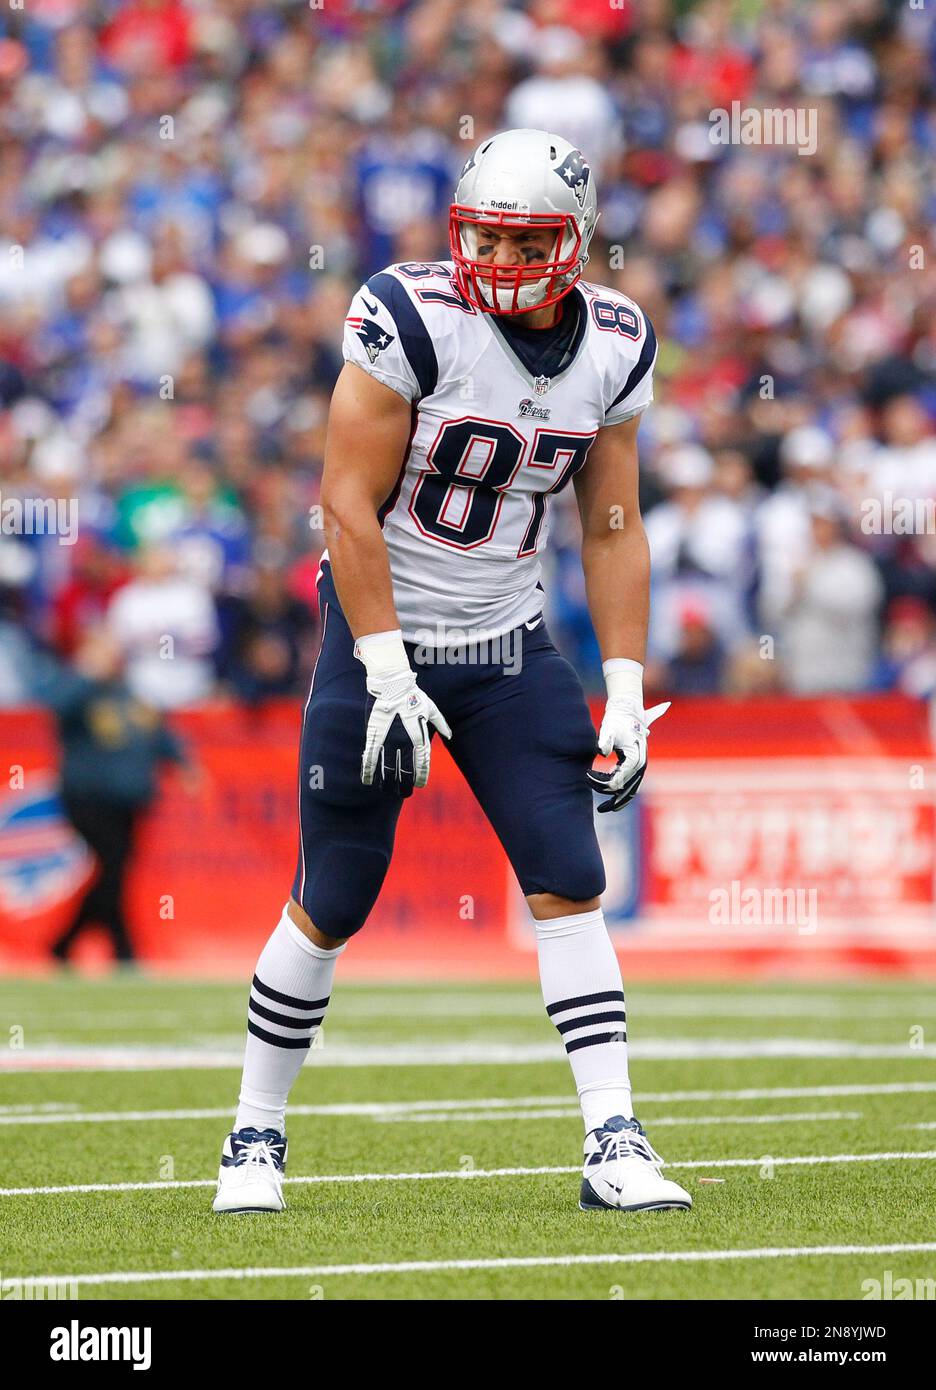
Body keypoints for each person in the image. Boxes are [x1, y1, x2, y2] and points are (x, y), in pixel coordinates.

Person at [213, 129, 692, 1217]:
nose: (497, 257)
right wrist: (386, 669)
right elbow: (346, 503)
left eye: (524, 239)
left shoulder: (616, 341)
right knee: (334, 895)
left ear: (574, 242)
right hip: (385, 636)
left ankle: (612, 1137)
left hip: (509, 640)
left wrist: (624, 684)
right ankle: (254, 1132)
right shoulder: (411, 316)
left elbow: (612, 524)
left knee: (571, 874)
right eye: (481, 232)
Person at [38, 627, 195, 964]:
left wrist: (182, 761)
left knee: (114, 872)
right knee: (113, 869)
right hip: (89, 799)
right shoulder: (79, 689)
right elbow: (54, 705)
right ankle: (117, 948)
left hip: (129, 802)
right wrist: (85, 672)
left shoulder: (130, 693)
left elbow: (158, 731)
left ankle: (70, 946)